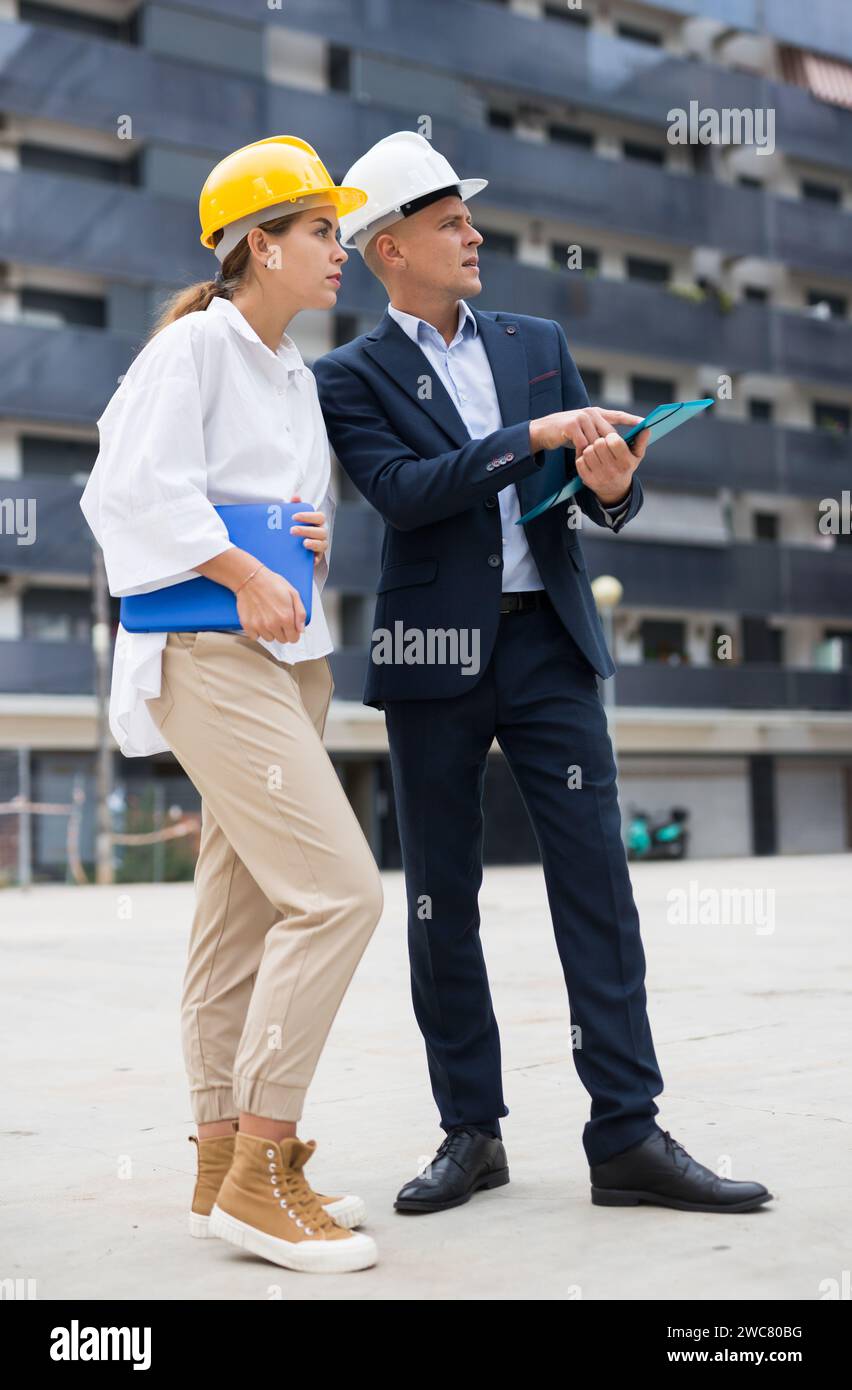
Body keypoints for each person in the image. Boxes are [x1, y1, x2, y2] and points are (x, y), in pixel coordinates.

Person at [313, 131, 773, 1217]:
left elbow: (596, 493)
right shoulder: (348, 377)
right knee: (441, 900)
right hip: (433, 658)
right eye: (449, 221)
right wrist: (535, 434)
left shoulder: (537, 338)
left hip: (549, 644)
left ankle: (627, 1132)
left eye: (470, 218)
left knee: (598, 886)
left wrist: (611, 482)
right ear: (389, 249)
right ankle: (471, 1133)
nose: (474, 235)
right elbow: (408, 489)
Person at [80, 136, 384, 1273]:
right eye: (320, 229)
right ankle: (266, 1166)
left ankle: (219, 1165)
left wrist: (305, 537)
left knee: (246, 915)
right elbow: (126, 491)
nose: (338, 249)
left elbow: (273, 504)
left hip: (286, 660)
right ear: (261, 244)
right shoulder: (197, 346)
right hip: (212, 655)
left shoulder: (292, 369)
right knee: (341, 893)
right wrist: (241, 566)